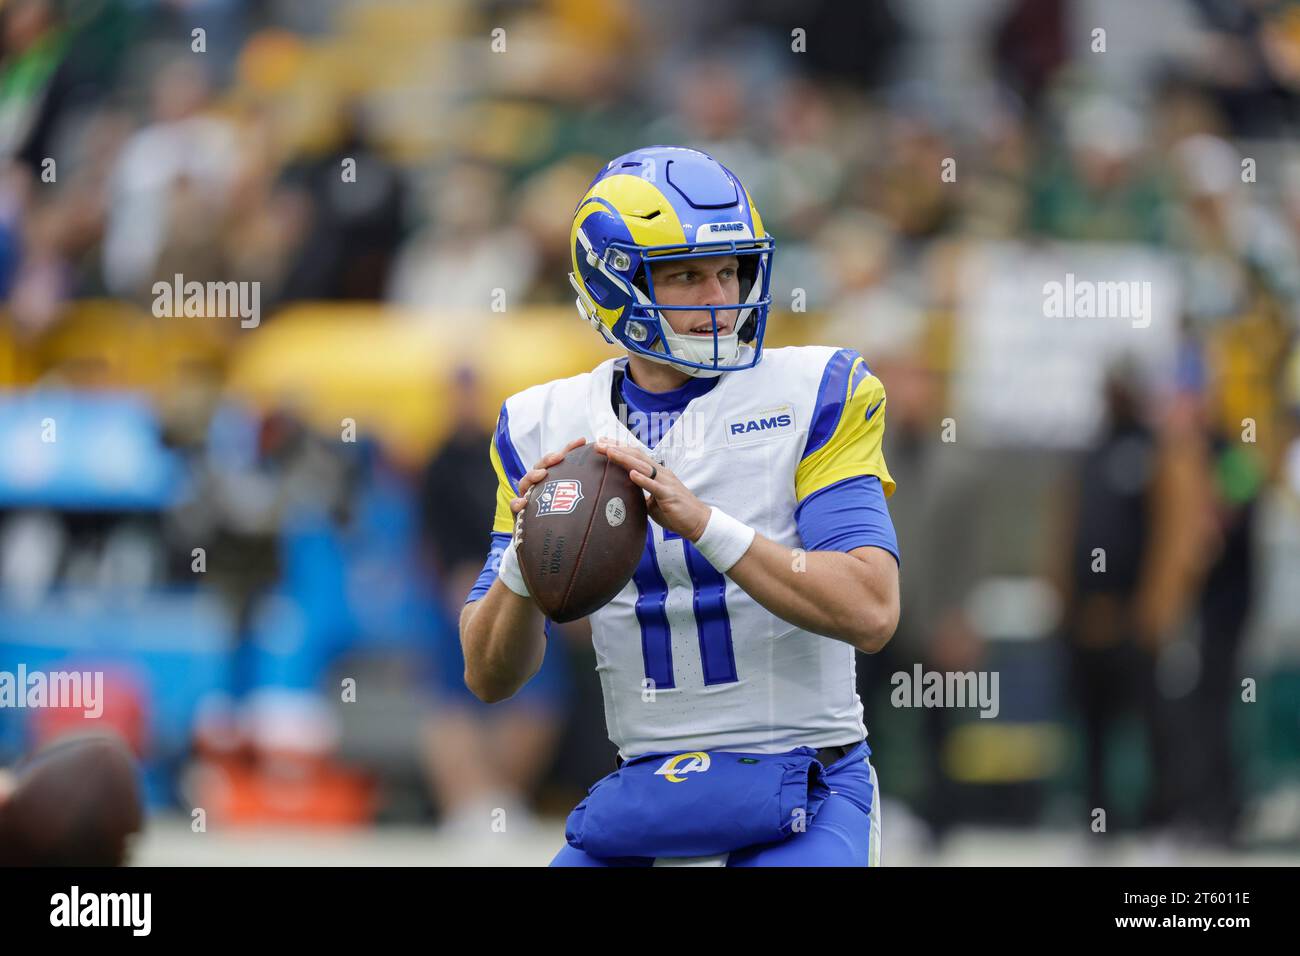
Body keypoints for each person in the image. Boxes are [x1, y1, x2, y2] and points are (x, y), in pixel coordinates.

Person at [460, 146, 900, 866]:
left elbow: (872, 610)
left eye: (731, 270)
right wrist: (525, 558)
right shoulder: (542, 422)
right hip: (650, 788)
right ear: (615, 284)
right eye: (688, 275)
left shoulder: (818, 390)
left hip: (806, 783)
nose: (721, 296)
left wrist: (702, 523)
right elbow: (488, 676)